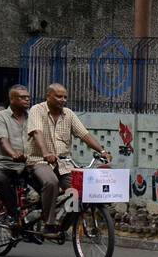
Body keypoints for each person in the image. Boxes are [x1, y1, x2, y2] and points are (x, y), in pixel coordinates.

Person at [26, 83, 112, 237]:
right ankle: (49, 222)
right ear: (48, 97)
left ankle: (65, 220)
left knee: (82, 188)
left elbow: (84, 135)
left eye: (65, 97)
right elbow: (36, 132)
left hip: (64, 163)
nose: (63, 100)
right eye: (58, 96)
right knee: (51, 182)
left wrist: (102, 151)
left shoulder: (69, 114)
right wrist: (46, 153)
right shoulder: (37, 110)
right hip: (39, 160)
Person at [0, 85, 32, 227]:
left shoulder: (32, 117)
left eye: (28, 97)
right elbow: (3, 140)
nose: (27, 100)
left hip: (27, 164)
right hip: (5, 163)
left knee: (45, 184)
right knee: (3, 181)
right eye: (22, 97)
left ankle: (34, 221)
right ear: (12, 99)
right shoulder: (0, 116)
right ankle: (12, 215)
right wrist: (13, 153)